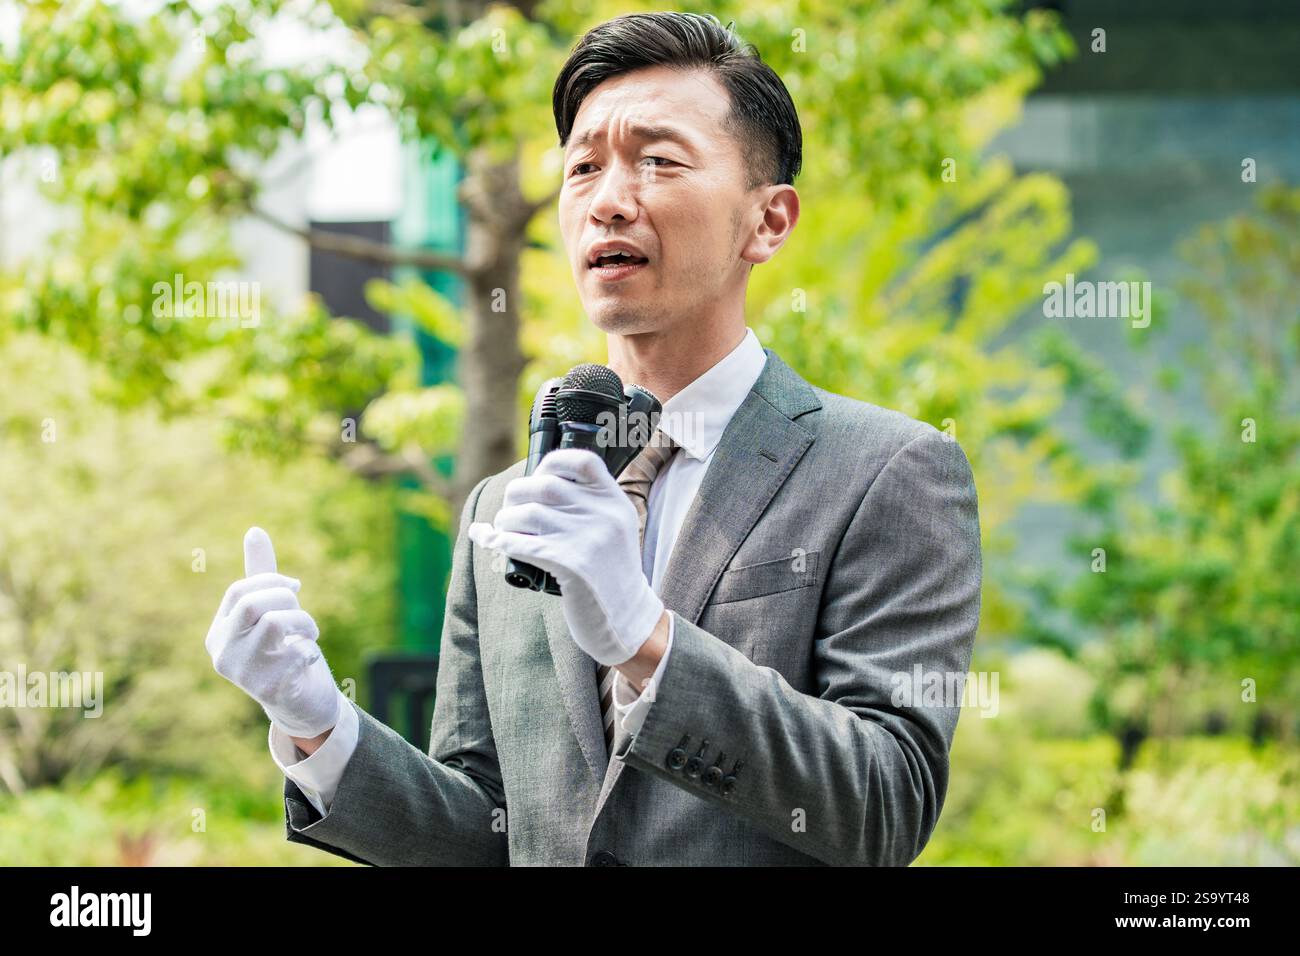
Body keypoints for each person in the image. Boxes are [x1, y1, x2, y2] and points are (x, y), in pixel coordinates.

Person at [205, 11, 982, 866]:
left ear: (768, 222)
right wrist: (321, 728)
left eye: (658, 160)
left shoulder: (888, 471)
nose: (609, 199)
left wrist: (648, 640)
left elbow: (887, 806)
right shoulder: (502, 507)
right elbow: (486, 832)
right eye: (583, 167)